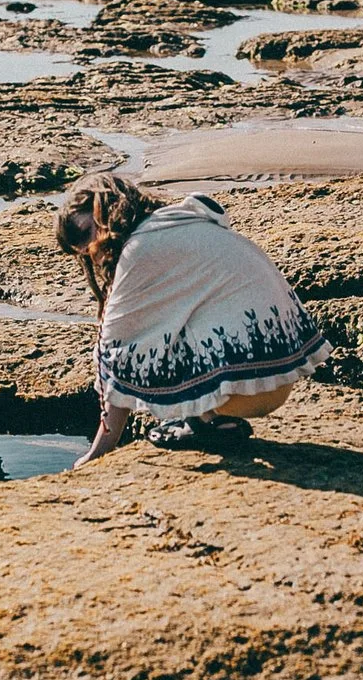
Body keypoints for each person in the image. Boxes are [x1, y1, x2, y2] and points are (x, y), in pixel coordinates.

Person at [55, 174, 327, 465]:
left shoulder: (140, 249)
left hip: (245, 388)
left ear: (106, 212)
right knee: (171, 324)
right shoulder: (176, 223)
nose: (88, 249)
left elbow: (115, 351)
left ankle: (207, 418)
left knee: (136, 345)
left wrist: (100, 450)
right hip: (276, 376)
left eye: (86, 233)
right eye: (79, 249)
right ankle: (215, 421)